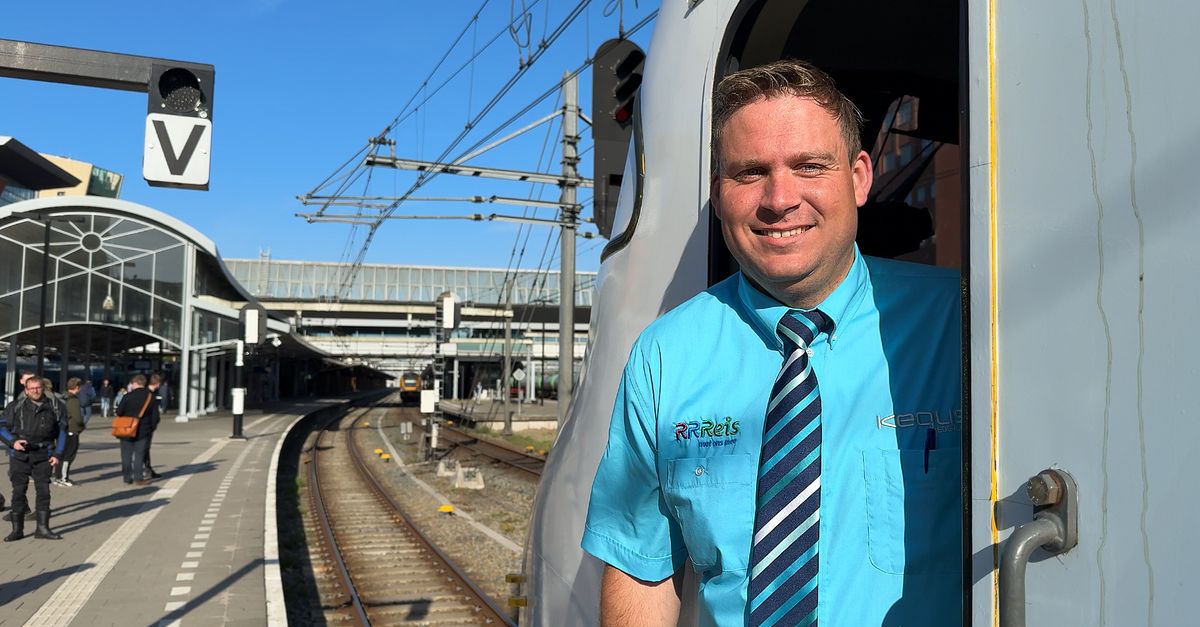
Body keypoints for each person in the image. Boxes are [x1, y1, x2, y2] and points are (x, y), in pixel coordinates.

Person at [581, 60, 962, 626]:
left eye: (809, 166)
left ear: (859, 178)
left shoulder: (961, 323)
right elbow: (643, 568)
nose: (779, 198)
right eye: (749, 172)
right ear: (718, 192)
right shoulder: (665, 356)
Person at [0, 375, 67, 540]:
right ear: (26, 390)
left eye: (38, 387)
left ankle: (42, 529)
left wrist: (58, 454)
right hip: (19, 455)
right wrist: (13, 442)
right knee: (18, 492)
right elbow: (1, 427)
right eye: (32, 388)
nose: (35, 391)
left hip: (44, 454)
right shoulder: (15, 406)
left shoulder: (55, 406)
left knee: (44, 491)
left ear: (43, 388)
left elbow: (63, 431)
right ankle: (17, 530)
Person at [113, 374, 159, 486]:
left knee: (126, 455)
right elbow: (155, 417)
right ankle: (139, 478)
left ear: (135, 383)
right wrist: (150, 428)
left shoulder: (127, 396)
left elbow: (119, 412)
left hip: (126, 430)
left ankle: (127, 477)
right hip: (143, 430)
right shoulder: (150, 397)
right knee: (139, 455)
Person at [54, 378, 85, 487]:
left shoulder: (63, 397)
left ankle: (57, 477)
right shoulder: (73, 400)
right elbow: (77, 417)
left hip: (62, 429)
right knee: (69, 455)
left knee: (60, 454)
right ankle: (63, 478)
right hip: (72, 430)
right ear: (77, 387)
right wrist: (82, 426)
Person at [144, 373, 165, 479]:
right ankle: (146, 470)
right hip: (147, 427)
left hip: (138, 426)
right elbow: (155, 414)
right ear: (157, 383)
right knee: (145, 448)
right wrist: (153, 426)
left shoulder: (142, 392)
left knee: (141, 449)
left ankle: (147, 469)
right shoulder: (151, 395)